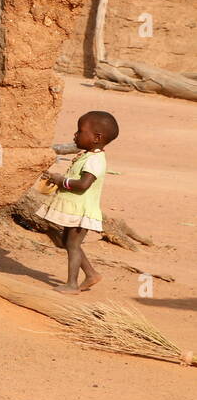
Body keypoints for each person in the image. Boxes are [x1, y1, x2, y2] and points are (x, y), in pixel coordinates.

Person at [38, 110, 119, 294]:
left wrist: (61, 181)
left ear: (97, 137)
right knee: (68, 242)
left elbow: (83, 184)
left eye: (80, 131)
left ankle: (72, 284)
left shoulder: (95, 160)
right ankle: (91, 274)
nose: (75, 135)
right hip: (75, 209)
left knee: (73, 245)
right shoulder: (88, 155)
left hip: (81, 211)